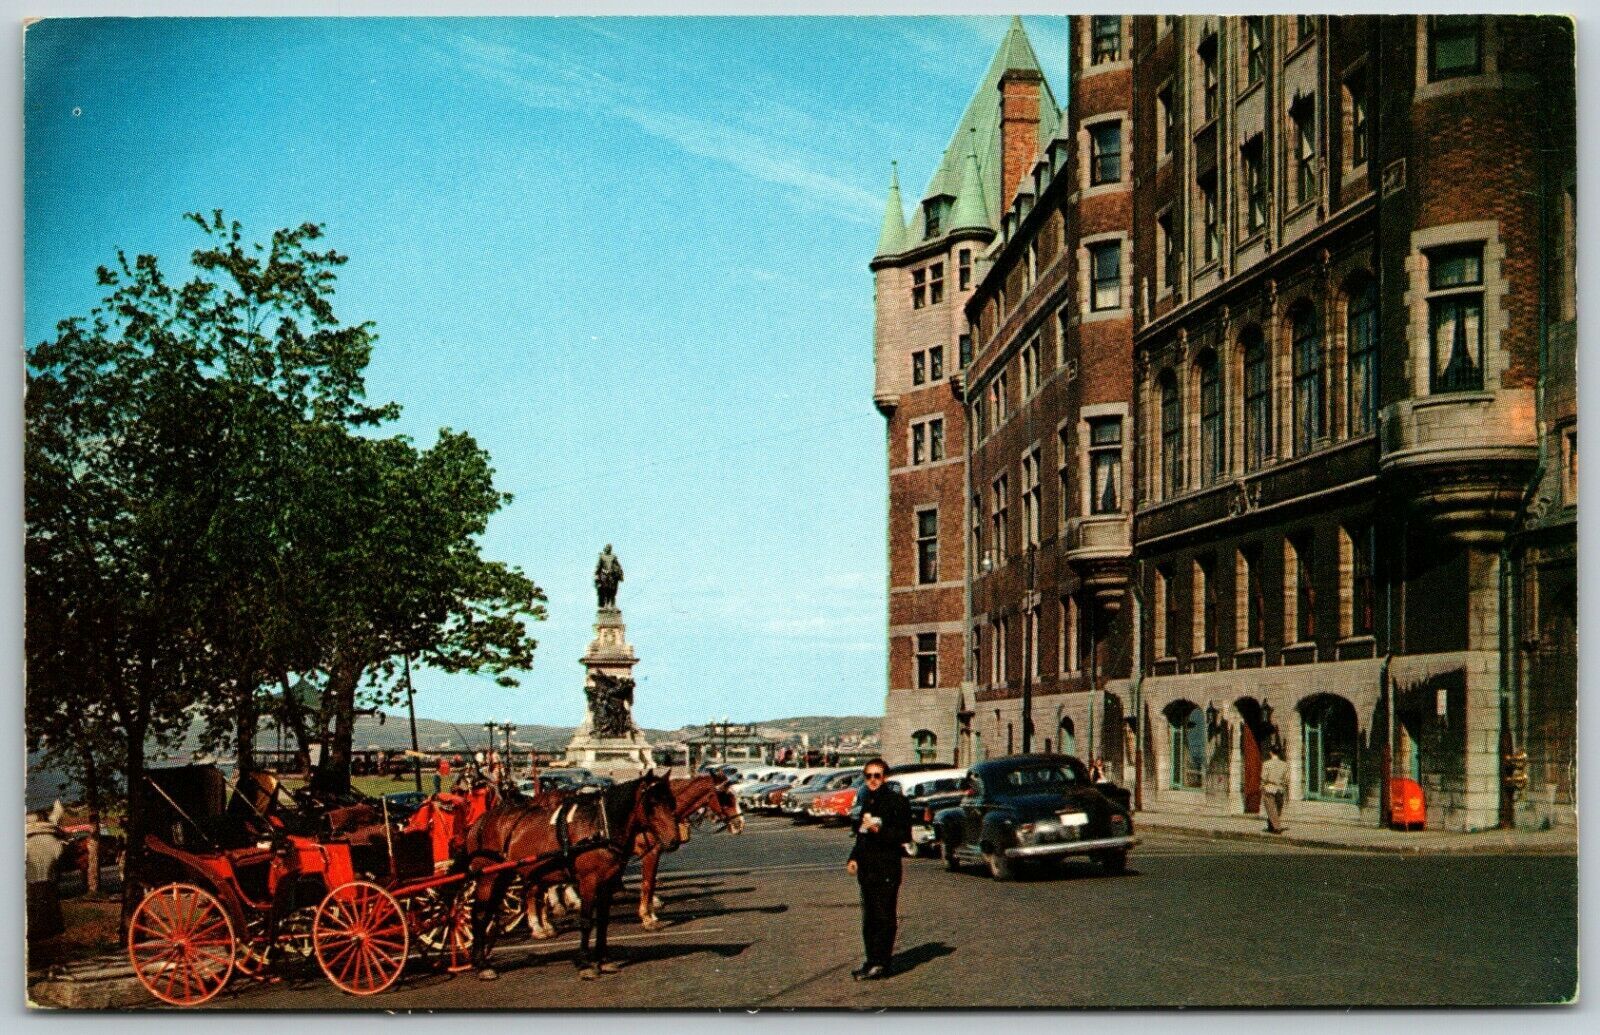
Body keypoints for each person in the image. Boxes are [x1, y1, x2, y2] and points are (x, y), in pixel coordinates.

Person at [845, 758, 911, 981]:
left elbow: (904, 835)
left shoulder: (897, 802)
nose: (872, 780)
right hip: (867, 870)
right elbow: (861, 835)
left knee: (884, 917)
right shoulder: (867, 801)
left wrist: (878, 831)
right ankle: (871, 960)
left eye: (877, 776)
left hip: (886, 869)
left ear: (885, 778)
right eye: (868, 776)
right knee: (869, 918)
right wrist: (853, 858)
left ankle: (882, 963)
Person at [26, 809, 67, 943]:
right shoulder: (54, 842)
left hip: (30, 884)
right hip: (49, 884)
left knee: (33, 912)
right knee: (50, 915)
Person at [1260, 744, 1290, 834]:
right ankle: (1271, 825)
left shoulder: (1266, 764)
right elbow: (1286, 779)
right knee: (1277, 808)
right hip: (1280, 789)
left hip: (1269, 788)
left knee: (1271, 808)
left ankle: (1277, 827)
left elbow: (1263, 777)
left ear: (1271, 753)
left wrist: (1262, 786)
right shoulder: (1284, 765)